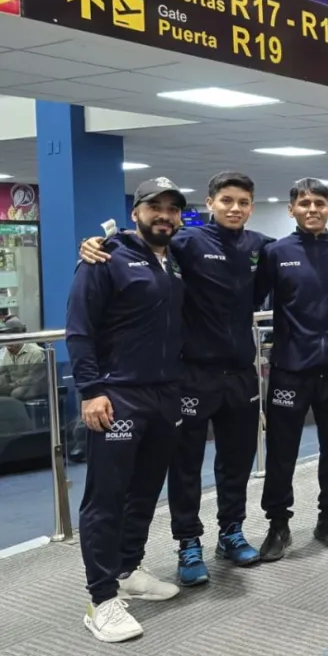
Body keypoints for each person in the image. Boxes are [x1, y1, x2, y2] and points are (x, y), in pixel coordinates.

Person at [77, 173, 328, 585]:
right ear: (210, 203)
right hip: (194, 373)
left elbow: (296, 262)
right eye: (226, 200)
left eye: (243, 202)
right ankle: (188, 542)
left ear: (252, 206)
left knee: (236, 464)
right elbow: (147, 237)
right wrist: (103, 241)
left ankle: (231, 532)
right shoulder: (187, 241)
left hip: (242, 373)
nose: (235, 208)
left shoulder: (262, 247)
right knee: (187, 466)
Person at [66, 178, 187, 643]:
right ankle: (100, 600)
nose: (164, 215)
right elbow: (79, 329)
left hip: (164, 394)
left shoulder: (175, 259)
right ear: (135, 212)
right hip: (117, 395)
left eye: (172, 208)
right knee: (106, 497)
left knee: (145, 490)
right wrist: (91, 390)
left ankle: (127, 569)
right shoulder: (104, 257)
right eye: (155, 207)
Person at [253, 179, 328, 560]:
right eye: (304, 203)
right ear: (291, 210)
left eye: (319, 203)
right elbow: (249, 297)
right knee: (282, 454)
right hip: (289, 370)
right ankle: (278, 524)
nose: (311, 209)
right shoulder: (276, 253)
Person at [0, 316, 46, 400]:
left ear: (20, 336)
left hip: (31, 387)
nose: (8, 343)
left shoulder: (35, 352)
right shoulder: (7, 352)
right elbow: (4, 372)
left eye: (12, 337)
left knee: (16, 393)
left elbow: (34, 378)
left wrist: (13, 385)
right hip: (13, 387)